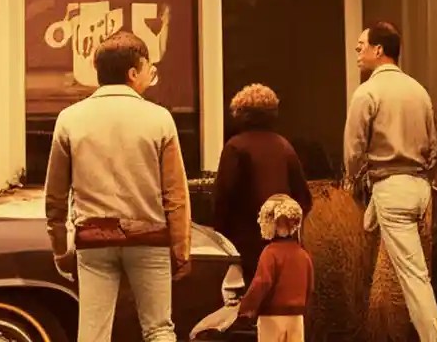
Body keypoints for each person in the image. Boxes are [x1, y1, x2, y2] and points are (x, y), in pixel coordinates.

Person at [45, 30, 191, 342]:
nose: (152, 74)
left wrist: (60, 248)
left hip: (93, 239)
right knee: (159, 329)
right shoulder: (160, 119)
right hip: (149, 238)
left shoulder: (69, 119)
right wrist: (181, 248)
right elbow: (175, 194)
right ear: (133, 72)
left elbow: (55, 196)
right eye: (148, 67)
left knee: (94, 333)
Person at [343, 21, 437, 342]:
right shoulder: (420, 91)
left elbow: (354, 149)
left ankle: (434, 338)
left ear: (379, 50)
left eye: (361, 45)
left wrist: (352, 177)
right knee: (372, 229)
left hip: (392, 187)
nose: (357, 51)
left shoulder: (367, 92)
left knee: (414, 277)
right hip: (419, 188)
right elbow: (433, 147)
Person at [213, 84, 313, 284]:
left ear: (240, 114)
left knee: (250, 301)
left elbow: (223, 197)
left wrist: (218, 236)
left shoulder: (235, 147)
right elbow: (304, 198)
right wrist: (287, 229)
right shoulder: (285, 146)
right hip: (283, 245)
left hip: (243, 246)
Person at [239, 194, 315, 341]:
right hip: (297, 319)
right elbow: (310, 289)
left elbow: (262, 283)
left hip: (271, 318)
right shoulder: (303, 256)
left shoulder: (270, 253)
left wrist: (246, 307)